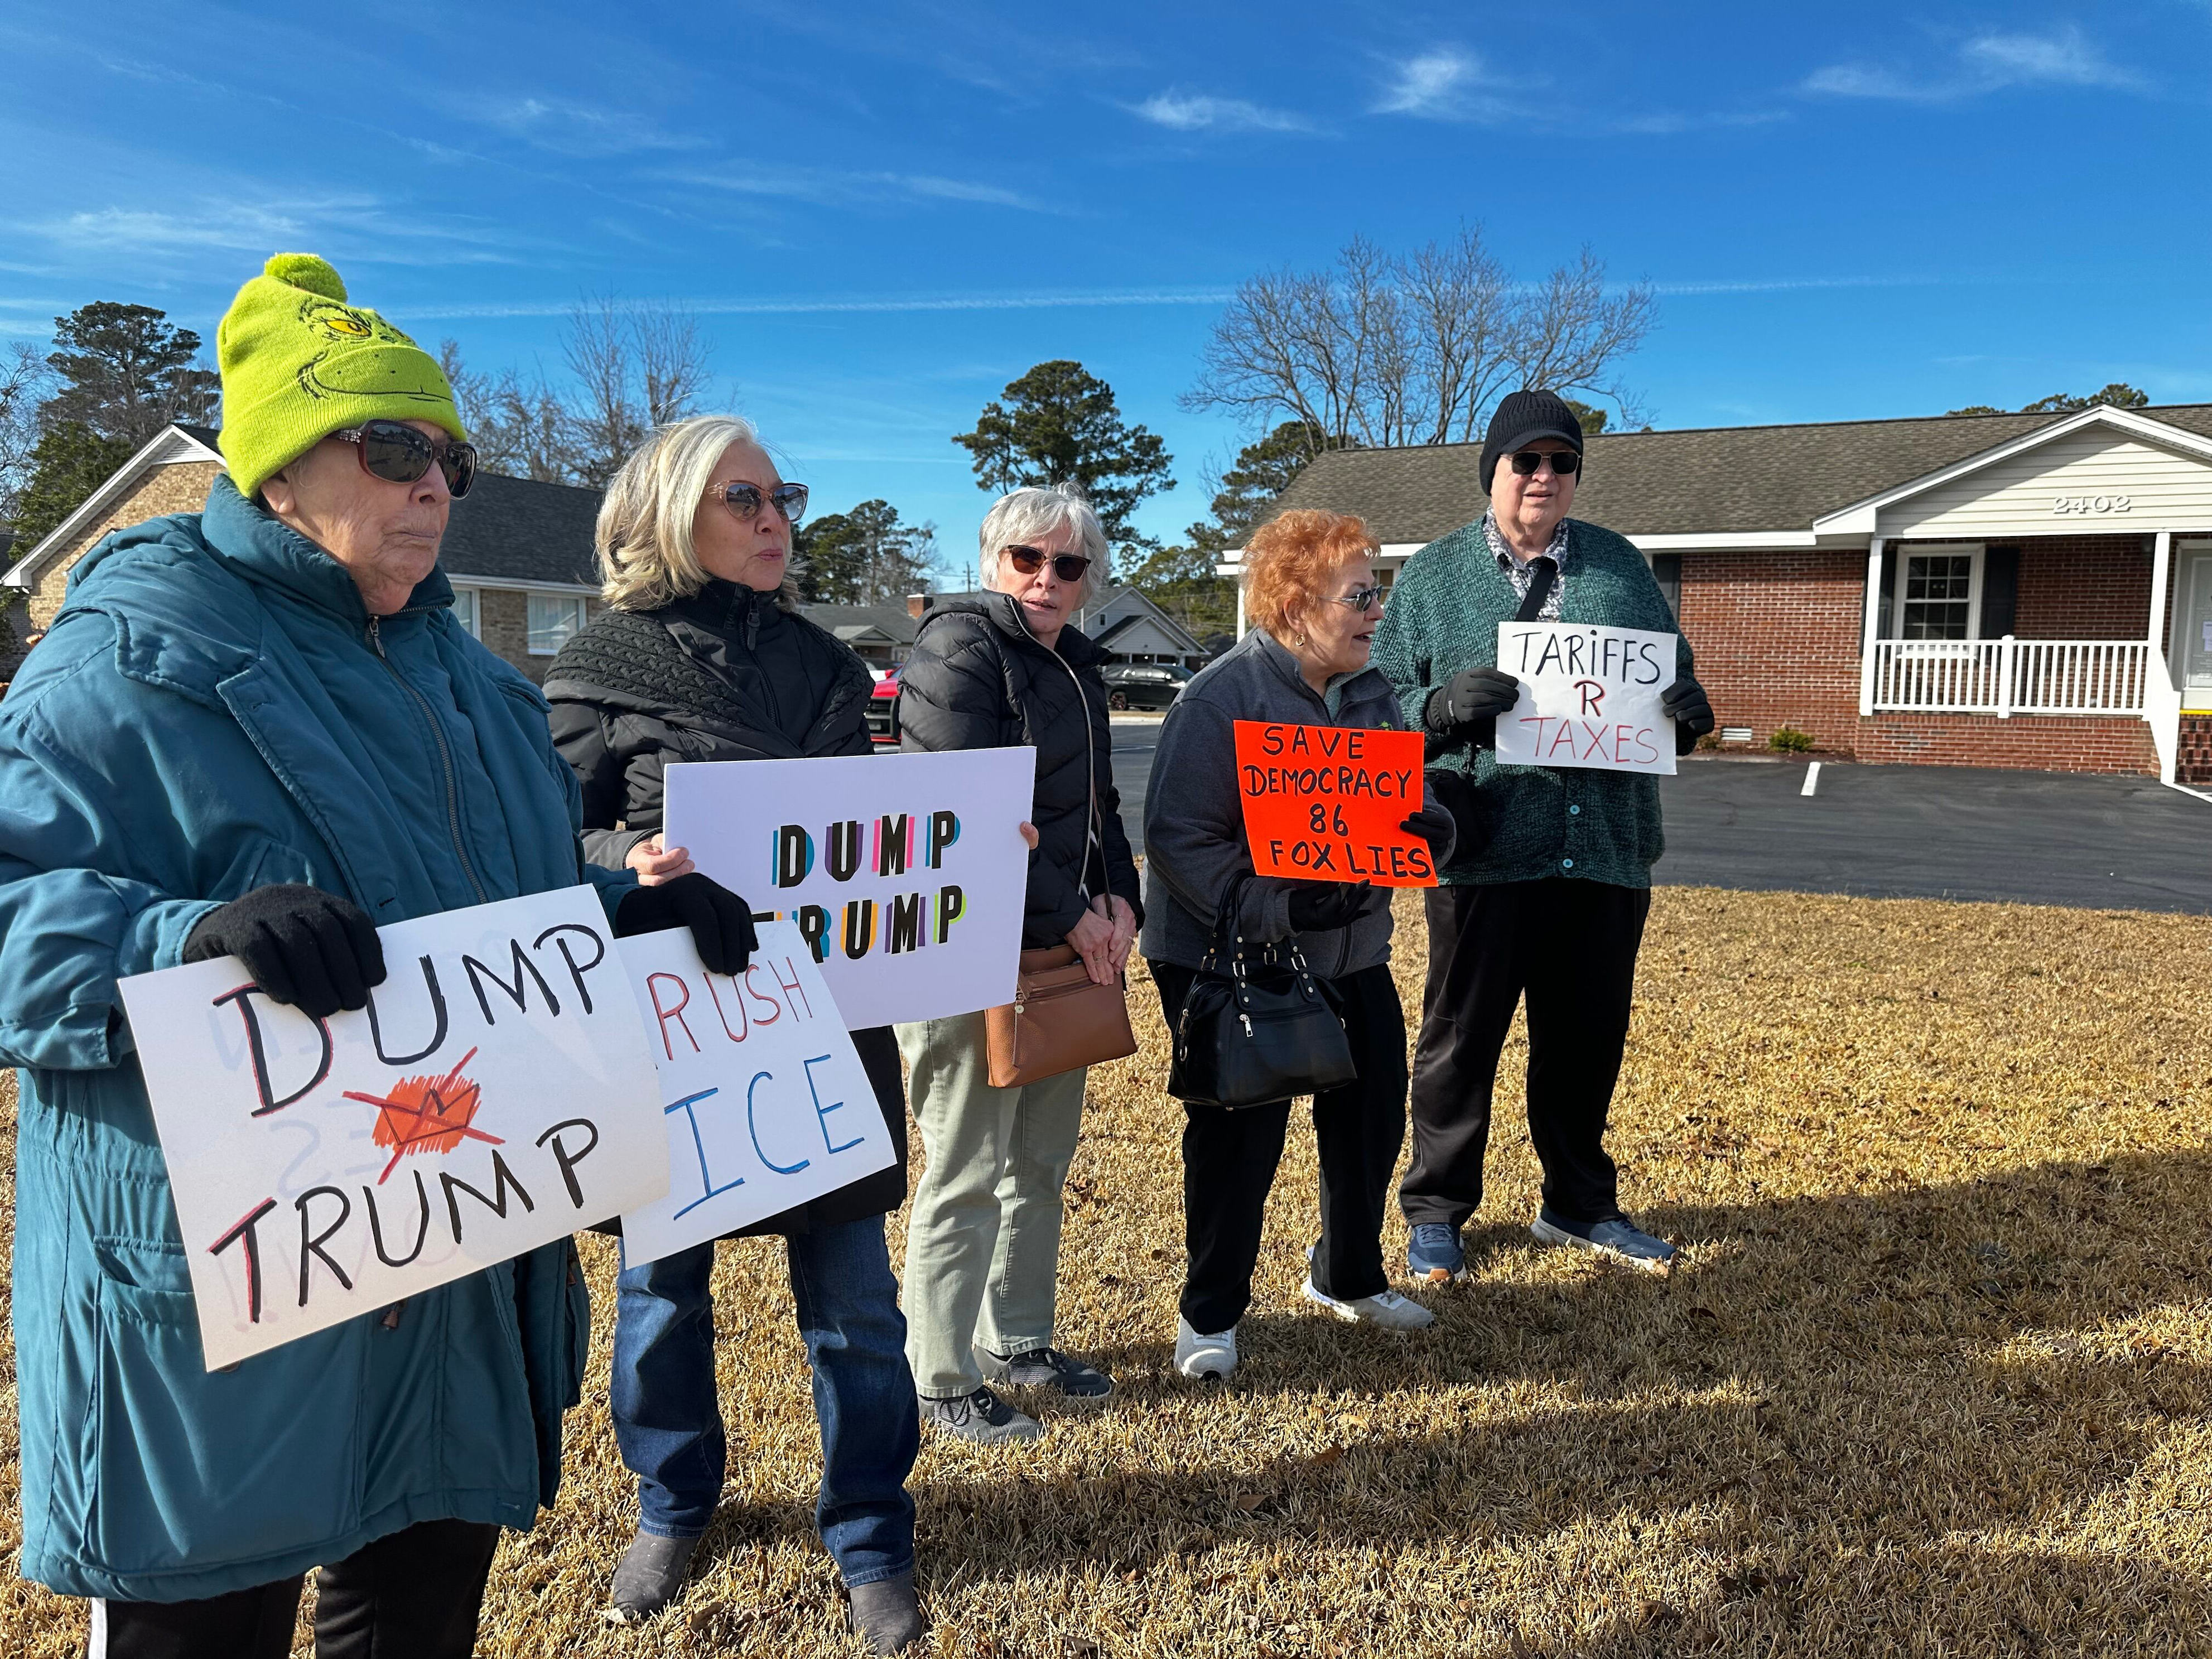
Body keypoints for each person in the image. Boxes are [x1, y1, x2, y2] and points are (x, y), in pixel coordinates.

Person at [0, 253, 754, 1659]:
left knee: (411, 1618)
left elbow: (496, 919)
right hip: (228, 1307)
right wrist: (176, 943)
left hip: (450, 1265)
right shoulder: (124, 653)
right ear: (277, 467)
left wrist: (616, 911)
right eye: (394, 444)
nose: (437, 484)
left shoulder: (479, 684)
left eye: (450, 455)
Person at [542, 416, 924, 1652]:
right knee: (662, 1293)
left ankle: (871, 1526)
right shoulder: (600, 663)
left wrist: (963, 846)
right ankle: (673, 1497)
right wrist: (625, 863)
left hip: (825, 1019)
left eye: (783, 495)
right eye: (744, 497)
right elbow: (550, 839)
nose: (776, 519)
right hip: (674, 1027)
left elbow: (869, 831)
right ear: (670, 511)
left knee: (858, 1300)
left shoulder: (823, 662)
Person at [1372, 388, 1716, 1283]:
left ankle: (1577, 1204)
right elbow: (1371, 713)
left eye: (1562, 462)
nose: (1544, 477)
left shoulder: (1617, 567)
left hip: (1603, 845)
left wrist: (1687, 711)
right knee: (1460, 1036)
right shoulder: (1433, 576)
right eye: (1526, 460)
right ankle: (1437, 1208)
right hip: (1485, 847)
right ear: (1491, 468)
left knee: (1586, 1036)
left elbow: (1665, 684)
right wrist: (1438, 709)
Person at [1143, 509, 1475, 1380]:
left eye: (1379, 592)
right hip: (1224, 955)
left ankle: (1348, 1276)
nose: (1377, 611)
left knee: (1367, 1115)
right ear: (1294, 603)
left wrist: (1425, 829)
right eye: (1360, 594)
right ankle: (1208, 1312)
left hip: (1352, 948)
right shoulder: (1219, 697)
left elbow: (1413, 806)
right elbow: (1180, 843)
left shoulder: (1372, 692)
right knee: (1239, 1137)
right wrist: (1285, 906)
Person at [894, 484, 1142, 1444]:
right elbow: (955, 815)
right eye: (1026, 560)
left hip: (1060, 945)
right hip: (966, 947)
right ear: (991, 561)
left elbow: (1098, 813)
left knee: (1038, 1159)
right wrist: (1075, 911)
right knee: (964, 1164)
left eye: (1067, 565)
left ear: (1088, 578)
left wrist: (1120, 901)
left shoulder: (1076, 666)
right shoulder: (956, 651)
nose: (1046, 579)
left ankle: (1019, 1337)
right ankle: (939, 1372)